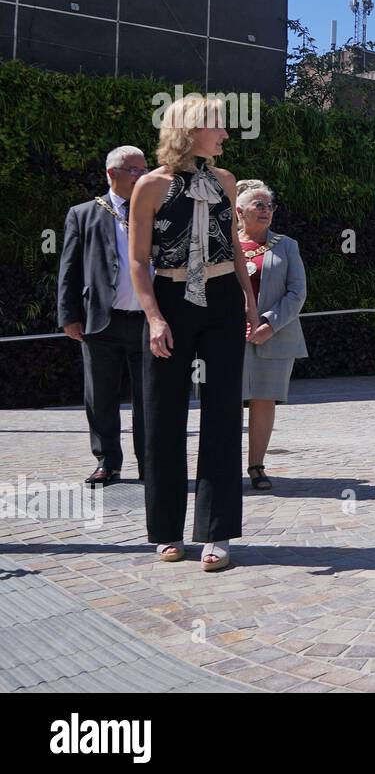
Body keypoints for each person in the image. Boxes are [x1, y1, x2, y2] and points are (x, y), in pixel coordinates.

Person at [129, 96, 259, 572]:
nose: (226, 134)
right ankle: (165, 531)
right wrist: (154, 317)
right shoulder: (150, 185)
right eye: (218, 126)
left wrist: (249, 302)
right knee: (163, 413)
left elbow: (237, 252)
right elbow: (139, 260)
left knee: (224, 413)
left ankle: (217, 532)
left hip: (223, 297)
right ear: (190, 129)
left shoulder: (225, 182)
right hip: (171, 300)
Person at [58, 146, 150, 486]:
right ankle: (107, 461)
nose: (143, 175)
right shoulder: (83, 214)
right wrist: (69, 314)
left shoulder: (156, 209)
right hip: (101, 320)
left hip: (148, 321)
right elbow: (69, 268)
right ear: (112, 174)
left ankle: (151, 464)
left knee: (150, 397)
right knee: (100, 396)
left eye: (144, 168)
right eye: (135, 170)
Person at [235, 179, 308, 492]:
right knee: (227, 401)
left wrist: (268, 324)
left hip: (275, 337)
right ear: (240, 211)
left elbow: (297, 292)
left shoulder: (287, 245)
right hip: (229, 335)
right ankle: (224, 466)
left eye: (270, 206)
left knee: (264, 401)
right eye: (259, 205)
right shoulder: (226, 245)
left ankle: (257, 465)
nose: (266, 211)